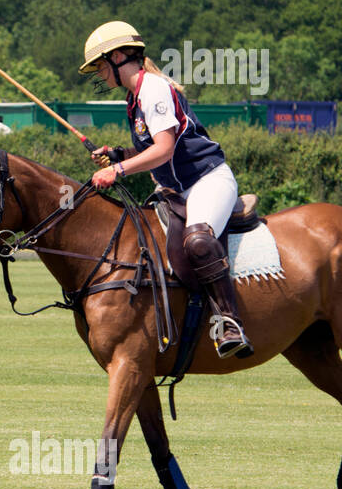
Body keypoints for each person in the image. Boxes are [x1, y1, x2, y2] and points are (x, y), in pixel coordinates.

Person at [80, 20, 253, 358]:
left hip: (207, 181)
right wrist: (119, 153)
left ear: (118, 57)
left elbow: (165, 149)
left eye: (100, 65)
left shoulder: (153, 89)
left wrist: (118, 169)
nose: (99, 73)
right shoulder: (135, 98)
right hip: (176, 190)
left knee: (198, 241)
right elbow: (151, 148)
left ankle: (229, 323)